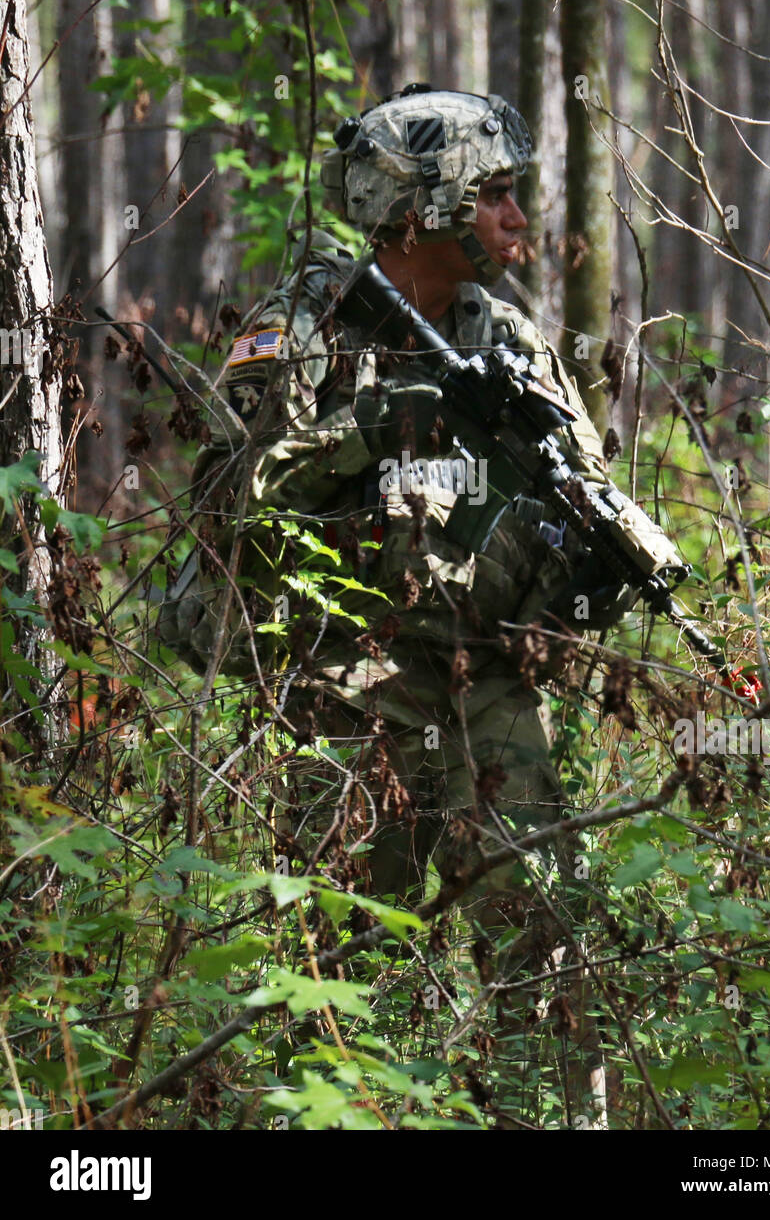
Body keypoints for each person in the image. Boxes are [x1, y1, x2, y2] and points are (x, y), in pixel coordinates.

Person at [167, 86, 640, 1126]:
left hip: (491, 684)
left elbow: (580, 491)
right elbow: (220, 510)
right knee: (351, 959)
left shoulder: (509, 342)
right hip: (352, 688)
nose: (519, 218)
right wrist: (370, 427)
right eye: (497, 195)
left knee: (544, 942)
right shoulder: (303, 331)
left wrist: (586, 573)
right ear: (426, 207)